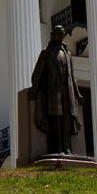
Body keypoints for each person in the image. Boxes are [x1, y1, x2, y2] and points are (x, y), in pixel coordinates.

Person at [29, 25, 83, 155]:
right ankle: (57, 147)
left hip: (67, 90)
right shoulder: (47, 52)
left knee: (67, 120)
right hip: (53, 91)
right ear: (52, 35)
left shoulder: (68, 54)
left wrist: (77, 93)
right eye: (58, 34)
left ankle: (66, 147)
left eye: (62, 34)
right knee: (56, 120)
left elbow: (72, 76)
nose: (61, 36)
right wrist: (35, 89)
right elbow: (38, 72)